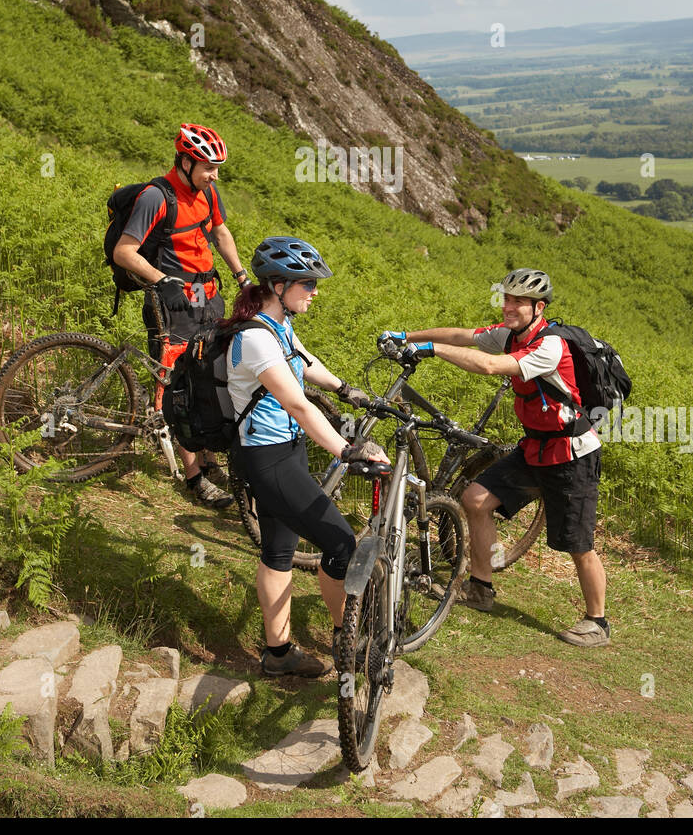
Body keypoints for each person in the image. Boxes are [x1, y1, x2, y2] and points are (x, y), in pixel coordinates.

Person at [379, 268, 610, 647]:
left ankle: (597, 623)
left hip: (571, 454)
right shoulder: (510, 335)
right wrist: (408, 336)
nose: (509, 306)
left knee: (577, 542)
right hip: (535, 447)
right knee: (475, 499)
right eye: (506, 298)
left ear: (539, 307)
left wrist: (431, 351)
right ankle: (481, 589)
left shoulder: (550, 346)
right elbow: (464, 336)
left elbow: (488, 365)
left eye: (519, 301)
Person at [225, 236, 389, 677]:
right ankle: (347, 641)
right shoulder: (256, 338)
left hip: (286, 451)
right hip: (267, 459)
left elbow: (302, 359)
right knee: (341, 544)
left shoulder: (278, 325)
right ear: (278, 285)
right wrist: (346, 449)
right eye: (308, 284)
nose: (315, 291)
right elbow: (298, 403)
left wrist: (343, 388)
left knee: (279, 551)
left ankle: (278, 656)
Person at [112, 123, 249, 507]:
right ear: (186, 161)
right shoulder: (157, 197)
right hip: (172, 305)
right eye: (208, 166)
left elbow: (220, 234)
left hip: (209, 298)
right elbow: (124, 252)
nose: (215, 174)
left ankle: (207, 458)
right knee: (177, 387)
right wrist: (161, 281)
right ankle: (194, 478)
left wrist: (240, 276)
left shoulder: (207, 191)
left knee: (210, 379)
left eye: (217, 167)